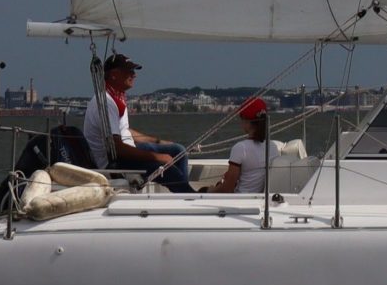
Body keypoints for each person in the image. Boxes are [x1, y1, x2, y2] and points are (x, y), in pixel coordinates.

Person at [81, 52, 194, 192]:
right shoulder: (106, 102)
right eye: (129, 71)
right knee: (168, 169)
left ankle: (183, 195)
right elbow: (117, 149)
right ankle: (188, 196)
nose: (134, 75)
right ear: (114, 74)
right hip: (115, 162)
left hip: (126, 152)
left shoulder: (116, 96)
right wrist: (159, 156)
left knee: (178, 151)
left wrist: (158, 141)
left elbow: (125, 131)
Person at [212, 96, 273, 195]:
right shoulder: (273, 147)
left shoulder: (241, 148)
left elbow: (227, 189)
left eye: (241, 118)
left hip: (239, 199)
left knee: (201, 190)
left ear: (247, 121)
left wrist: (210, 190)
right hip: (258, 199)